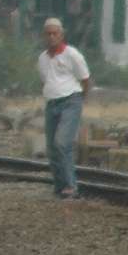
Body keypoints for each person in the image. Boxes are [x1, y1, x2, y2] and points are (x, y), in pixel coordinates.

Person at [38, 17, 91, 201]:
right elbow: (44, 80)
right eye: (48, 34)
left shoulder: (72, 55)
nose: (51, 37)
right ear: (44, 36)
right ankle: (59, 185)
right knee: (52, 147)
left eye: (55, 34)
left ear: (61, 35)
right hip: (52, 103)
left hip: (71, 101)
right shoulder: (43, 59)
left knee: (62, 143)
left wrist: (80, 100)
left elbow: (85, 79)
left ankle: (71, 185)